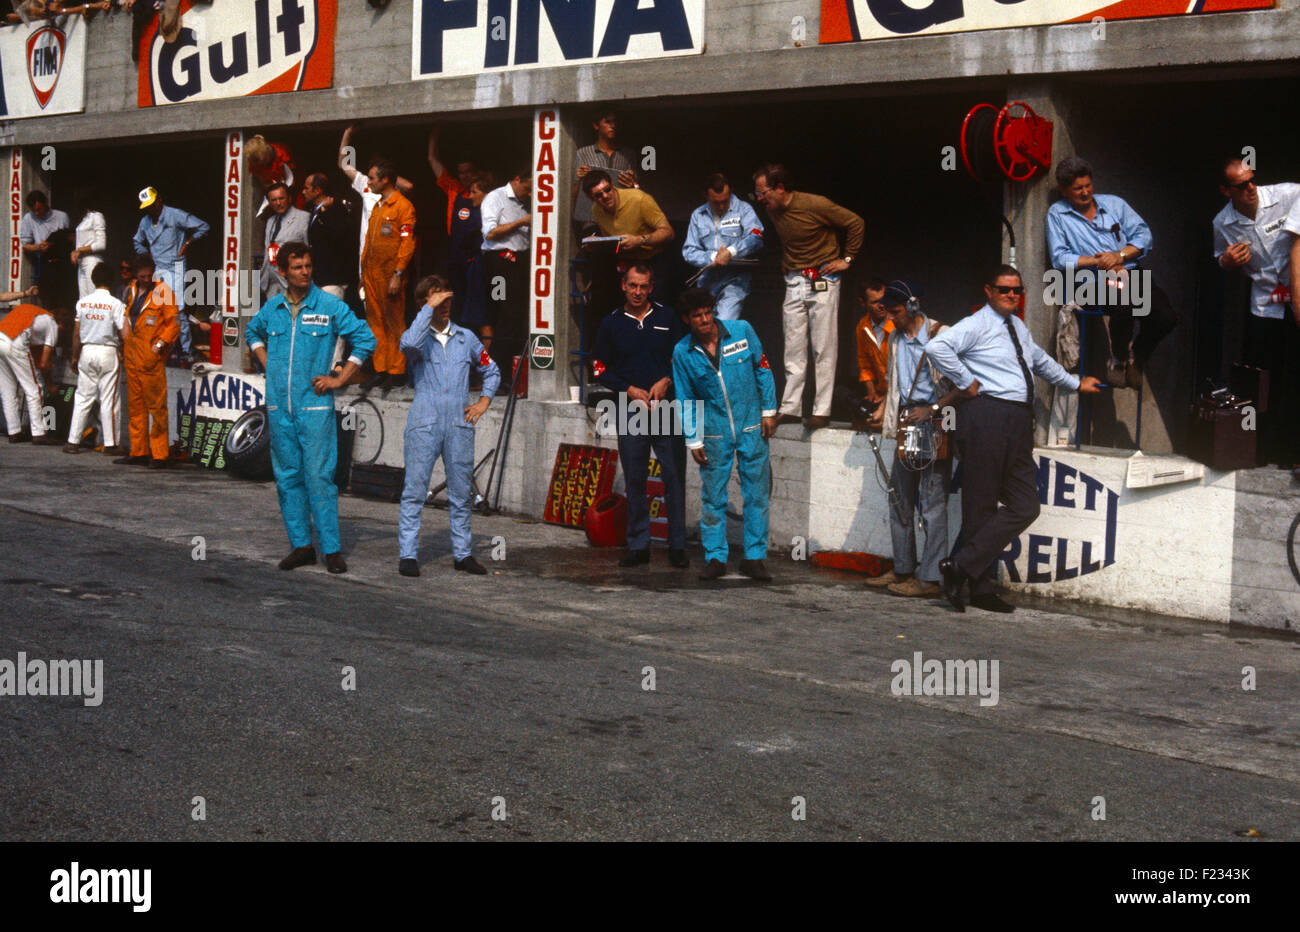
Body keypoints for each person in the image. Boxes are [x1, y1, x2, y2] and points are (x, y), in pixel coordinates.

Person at [926, 266, 1102, 614]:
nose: (1011, 295)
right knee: (981, 504)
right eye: (1004, 290)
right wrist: (965, 380)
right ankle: (980, 589)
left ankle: (960, 566)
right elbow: (937, 347)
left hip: (1017, 419)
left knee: (1025, 505)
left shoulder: (1018, 327)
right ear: (988, 291)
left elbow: (1040, 362)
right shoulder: (976, 324)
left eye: (1017, 291)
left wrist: (1074, 383)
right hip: (987, 414)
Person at [245, 243, 376, 574]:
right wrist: (267, 364)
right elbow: (252, 332)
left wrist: (339, 378)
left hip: (314, 407)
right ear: (283, 272)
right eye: (298, 267)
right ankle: (302, 546)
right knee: (288, 476)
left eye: (308, 265)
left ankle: (331, 549)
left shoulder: (330, 305)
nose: (305, 271)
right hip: (279, 405)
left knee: (319, 477)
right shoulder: (273, 308)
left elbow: (365, 339)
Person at [396, 274, 500, 578]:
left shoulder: (466, 338)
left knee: (460, 492)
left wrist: (483, 402)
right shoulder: (417, 337)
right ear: (423, 303)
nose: (444, 303)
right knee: (415, 490)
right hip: (424, 421)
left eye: (447, 297)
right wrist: (428, 309)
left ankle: (463, 553)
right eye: (436, 298)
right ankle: (408, 554)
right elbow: (408, 344)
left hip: (459, 421)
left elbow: (492, 371)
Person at [672, 288, 778, 581]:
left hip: (751, 426)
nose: (705, 320)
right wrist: (693, 439)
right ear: (687, 319)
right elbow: (685, 398)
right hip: (714, 433)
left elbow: (763, 368)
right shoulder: (683, 352)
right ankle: (716, 557)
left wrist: (769, 411)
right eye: (697, 316)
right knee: (713, 496)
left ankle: (754, 558)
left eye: (708, 312)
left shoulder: (742, 330)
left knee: (756, 494)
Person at [864, 281, 960, 598]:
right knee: (899, 497)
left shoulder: (941, 335)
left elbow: (966, 384)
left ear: (913, 307)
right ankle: (903, 567)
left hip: (933, 422)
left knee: (932, 504)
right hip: (907, 422)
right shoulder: (895, 338)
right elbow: (894, 383)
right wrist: (883, 412)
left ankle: (930, 578)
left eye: (896, 311)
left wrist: (932, 410)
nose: (892, 318)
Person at [1046, 156, 1175, 388]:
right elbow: (1059, 258)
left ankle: (1139, 355)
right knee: (1123, 303)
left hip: (1128, 272)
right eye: (1078, 189)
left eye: (1088, 186)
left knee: (1166, 316)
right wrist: (1098, 261)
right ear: (1065, 191)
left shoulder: (1115, 204)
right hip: (1089, 281)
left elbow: (1144, 237)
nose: (1085, 192)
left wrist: (1119, 256)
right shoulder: (1057, 214)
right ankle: (1119, 359)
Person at [752, 164, 865, 429]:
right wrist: (787, 257)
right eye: (756, 194)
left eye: (763, 192)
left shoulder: (815, 204)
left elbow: (855, 223)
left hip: (823, 278)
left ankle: (821, 409)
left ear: (780, 187)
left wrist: (846, 259)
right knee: (792, 345)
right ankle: (790, 407)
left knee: (823, 346)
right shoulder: (771, 210)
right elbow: (790, 236)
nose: (760, 199)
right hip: (794, 279)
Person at [591, 263, 688, 569]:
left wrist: (667, 379)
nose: (637, 292)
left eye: (643, 286)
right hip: (631, 409)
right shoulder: (611, 323)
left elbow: (685, 356)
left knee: (673, 476)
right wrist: (628, 389)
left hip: (666, 408)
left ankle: (678, 546)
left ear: (651, 287)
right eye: (632, 285)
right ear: (623, 285)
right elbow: (599, 368)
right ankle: (639, 546)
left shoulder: (668, 317)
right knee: (635, 479)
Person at [1213, 157, 1300, 469]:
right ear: (1227, 190)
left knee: (1294, 377)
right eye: (1241, 185)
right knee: (1264, 381)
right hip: (1266, 303)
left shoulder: (1286, 195)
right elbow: (1219, 260)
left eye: (1252, 180)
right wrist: (1228, 261)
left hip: (1297, 295)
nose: (1250, 187)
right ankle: (1263, 450)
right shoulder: (1222, 223)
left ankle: (1294, 452)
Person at [115, 256, 179, 468]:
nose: (145, 278)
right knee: (136, 406)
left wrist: (160, 345)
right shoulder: (131, 289)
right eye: (141, 275)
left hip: (150, 358)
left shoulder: (162, 292)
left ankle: (160, 454)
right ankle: (139, 451)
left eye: (149, 275)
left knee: (157, 407)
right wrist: (124, 330)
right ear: (135, 274)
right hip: (132, 355)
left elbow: (173, 323)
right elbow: (127, 314)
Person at [582, 169, 675, 314]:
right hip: (628, 263)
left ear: (612, 185)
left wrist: (640, 240)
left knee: (657, 311)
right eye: (598, 195)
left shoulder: (638, 199)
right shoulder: (596, 210)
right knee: (627, 312)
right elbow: (615, 243)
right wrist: (597, 244)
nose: (605, 196)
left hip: (654, 260)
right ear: (590, 197)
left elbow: (668, 232)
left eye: (607, 190)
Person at [133, 185, 209, 362]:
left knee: (178, 310)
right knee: (159, 310)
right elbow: (137, 241)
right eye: (147, 206)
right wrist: (147, 255)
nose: (151, 209)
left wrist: (188, 243)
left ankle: (187, 351)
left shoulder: (175, 214)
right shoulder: (145, 221)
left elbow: (203, 227)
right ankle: (167, 350)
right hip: (157, 268)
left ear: (159, 200)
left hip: (175, 267)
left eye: (153, 204)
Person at [359, 158, 417, 390]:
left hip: (390, 275)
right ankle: (380, 369)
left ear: (385, 180)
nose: (369, 182)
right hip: (371, 275)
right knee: (375, 323)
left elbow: (408, 243)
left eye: (372, 178)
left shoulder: (403, 207)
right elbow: (368, 242)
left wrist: (398, 274)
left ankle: (397, 371)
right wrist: (363, 273)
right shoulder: (378, 206)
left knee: (394, 323)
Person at [681, 173, 765, 321]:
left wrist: (731, 252)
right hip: (706, 283)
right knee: (704, 326)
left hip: (735, 280)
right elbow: (689, 251)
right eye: (715, 202)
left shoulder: (744, 209)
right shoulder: (698, 215)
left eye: (725, 201)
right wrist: (713, 257)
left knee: (725, 321)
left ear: (731, 192)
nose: (721, 206)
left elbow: (756, 238)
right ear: (706, 196)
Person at [338, 125, 415, 286]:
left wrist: (387, 173)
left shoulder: (399, 199)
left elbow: (408, 186)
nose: (370, 179)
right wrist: (347, 135)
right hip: (366, 263)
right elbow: (344, 164)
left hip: (389, 268)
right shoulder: (366, 184)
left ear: (385, 177)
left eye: (374, 175)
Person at [64, 262, 126, 455]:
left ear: (93, 280)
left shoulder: (82, 303)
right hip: (108, 350)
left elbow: (76, 335)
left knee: (83, 397)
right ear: (112, 281)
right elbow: (125, 334)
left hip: (87, 351)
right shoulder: (117, 304)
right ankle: (111, 444)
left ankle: (72, 441)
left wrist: (75, 357)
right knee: (109, 399)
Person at [480, 170, 532, 376]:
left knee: (518, 317)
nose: (528, 194)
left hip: (520, 261)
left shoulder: (526, 202)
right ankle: (496, 373)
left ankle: (512, 374)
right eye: (527, 189)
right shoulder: (495, 197)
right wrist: (522, 222)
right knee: (504, 315)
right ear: (517, 179)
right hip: (498, 263)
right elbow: (490, 233)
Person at [0, 290, 62, 445]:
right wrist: (51, 385)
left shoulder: (30, 311)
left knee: (7, 390)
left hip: (1, 337)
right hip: (15, 342)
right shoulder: (52, 323)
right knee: (34, 388)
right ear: (56, 313)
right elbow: (44, 362)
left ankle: (14, 432)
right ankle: (39, 433)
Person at [572, 109, 638, 235]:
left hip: (619, 220)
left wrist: (633, 185)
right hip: (592, 222)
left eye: (615, 122)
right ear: (596, 126)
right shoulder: (583, 153)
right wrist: (580, 179)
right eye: (608, 122)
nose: (613, 126)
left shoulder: (628, 154)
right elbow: (575, 196)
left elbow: (637, 191)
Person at [446, 172, 492, 347]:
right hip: (463, 266)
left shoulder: (492, 214)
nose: (470, 196)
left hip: (485, 269)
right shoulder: (460, 200)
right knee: (467, 313)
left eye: (474, 192)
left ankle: (487, 364)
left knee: (483, 317)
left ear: (486, 193)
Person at [302, 173, 353, 300]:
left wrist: (326, 213)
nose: (303, 192)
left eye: (306, 188)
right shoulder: (313, 210)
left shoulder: (336, 208)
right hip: (318, 277)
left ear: (318, 190)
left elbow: (339, 235)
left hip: (332, 279)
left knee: (331, 317)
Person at [260, 182, 311, 301]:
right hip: (270, 283)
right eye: (273, 200)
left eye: (281, 198)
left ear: (289, 198)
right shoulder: (270, 221)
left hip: (292, 283)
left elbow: (310, 250)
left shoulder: (304, 218)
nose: (278, 203)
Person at [854, 277, 892, 426]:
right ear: (863, 303)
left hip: (901, 393)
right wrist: (872, 394)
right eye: (875, 302)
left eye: (884, 300)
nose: (882, 305)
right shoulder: (862, 327)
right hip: (882, 392)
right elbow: (864, 363)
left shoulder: (897, 323)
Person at [427, 125, 477, 236]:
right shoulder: (453, 188)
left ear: (476, 172)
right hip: (455, 244)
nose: (465, 176)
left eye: (468, 171)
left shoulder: (485, 192)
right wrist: (436, 128)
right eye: (461, 173)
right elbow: (432, 158)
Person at [71, 195, 107, 299]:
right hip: (82, 262)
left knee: (93, 298)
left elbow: (101, 244)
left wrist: (79, 250)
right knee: (83, 301)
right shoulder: (84, 218)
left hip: (92, 261)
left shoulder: (96, 216)